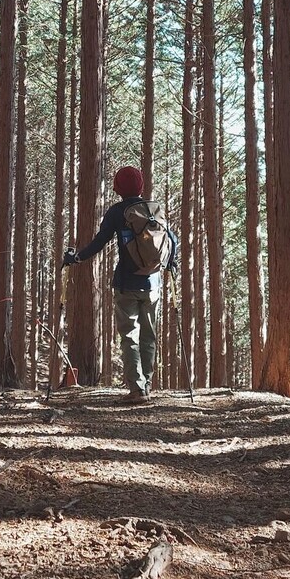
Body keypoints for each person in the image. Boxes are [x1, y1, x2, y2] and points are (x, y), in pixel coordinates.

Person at [63, 165, 179, 404]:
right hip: (153, 284)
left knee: (129, 336)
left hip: (126, 284)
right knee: (149, 336)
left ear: (118, 188)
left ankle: (137, 389)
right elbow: (172, 239)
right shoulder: (153, 210)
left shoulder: (117, 212)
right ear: (141, 186)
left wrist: (76, 258)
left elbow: (99, 242)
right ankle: (145, 385)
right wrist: (171, 264)